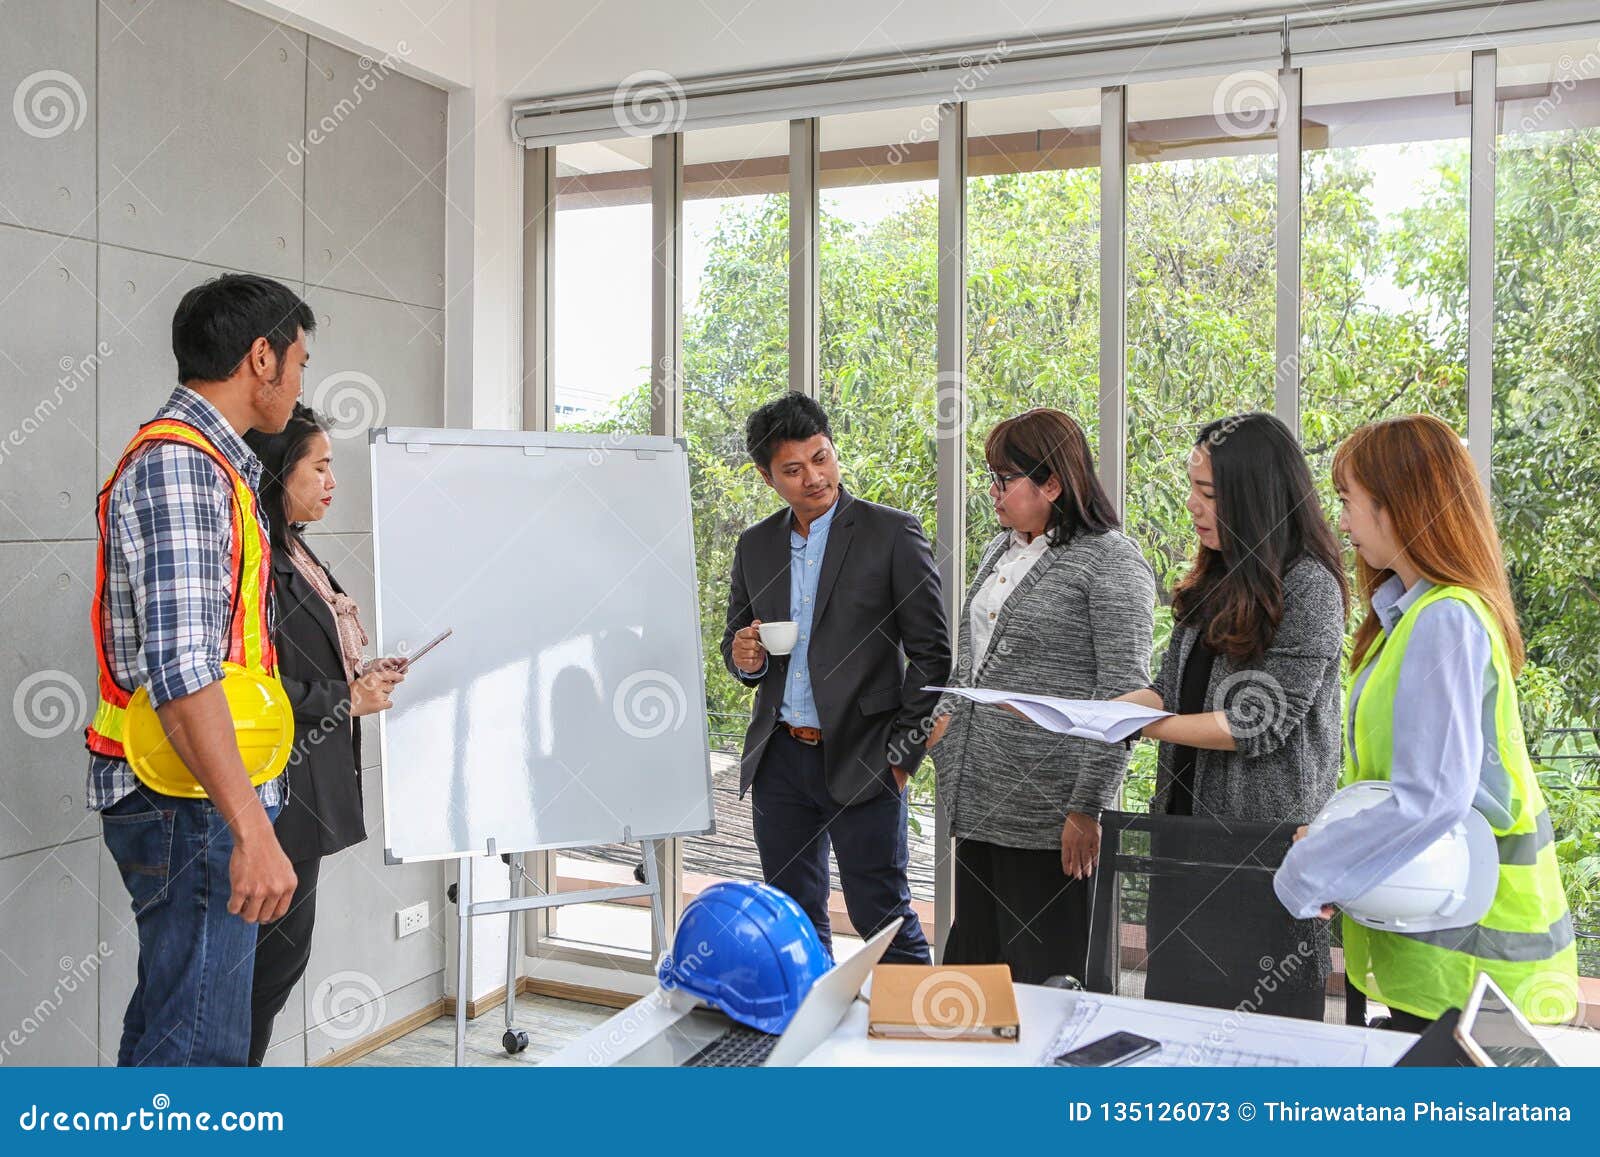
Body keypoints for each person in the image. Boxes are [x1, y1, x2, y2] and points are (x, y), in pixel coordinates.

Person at [1276, 414, 1578, 1029]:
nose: (1342, 522)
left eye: (1348, 501)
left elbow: (1430, 798)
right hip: (1455, 961)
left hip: (1476, 970)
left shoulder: (1445, 621)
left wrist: (1312, 869)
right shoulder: (1414, 619)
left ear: (1399, 507)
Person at [88, 274, 310, 1065]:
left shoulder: (213, 465)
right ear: (262, 358)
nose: (299, 381)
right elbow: (183, 670)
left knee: (172, 1029)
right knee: (198, 1057)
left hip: (195, 796)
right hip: (192, 802)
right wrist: (250, 827)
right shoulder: (182, 468)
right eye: (300, 362)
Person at [1116, 412, 1349, 1020]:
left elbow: (1254, 722)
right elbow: (1171, 692)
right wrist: (1096, 714)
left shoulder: (1309, 587)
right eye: (1191, 487)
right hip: (1184, 840)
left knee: (1262, 1044)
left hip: (1262, 853)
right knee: (1176, 1023)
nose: (1192, 505)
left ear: (1256, 496)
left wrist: (1137, 726)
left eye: (1210, 493)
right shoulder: (1215, 576)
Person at [927, 408, 1155, 984]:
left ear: (1052, 484)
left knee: (1041, 982)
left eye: (1006, 480)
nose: (994, 493)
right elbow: (969, 667)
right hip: (978, 798)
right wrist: (943, 731)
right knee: (972, 980)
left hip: (1048, 812)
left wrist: (1087, 806)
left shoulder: (1110, 561)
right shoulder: (999, 551)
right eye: (991, 478)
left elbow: (1123, 694)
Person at [721, 393, 950, 964]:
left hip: (866, 756)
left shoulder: (891, 534)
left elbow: (933, 657)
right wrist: (744, 656)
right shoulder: (755, 545)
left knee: (882, 918)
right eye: (793, 470)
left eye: (821, 458)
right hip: (779, 762)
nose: (814, 478)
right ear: (767, 476)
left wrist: (901, 759)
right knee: (791, 920)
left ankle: (915, 1044)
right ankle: (813, 1042)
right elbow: (736, 645)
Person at [243, 404, 407, 1065]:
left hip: (306, 787)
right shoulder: (256, 556)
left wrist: (361, 674)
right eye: (320, 465)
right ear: (279, 472)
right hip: (274, 789)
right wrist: (348, 697)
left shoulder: (293, 545)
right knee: (262, 966)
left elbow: (304, 656)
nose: (332, 479)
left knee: (277, 960)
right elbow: (247, 687)